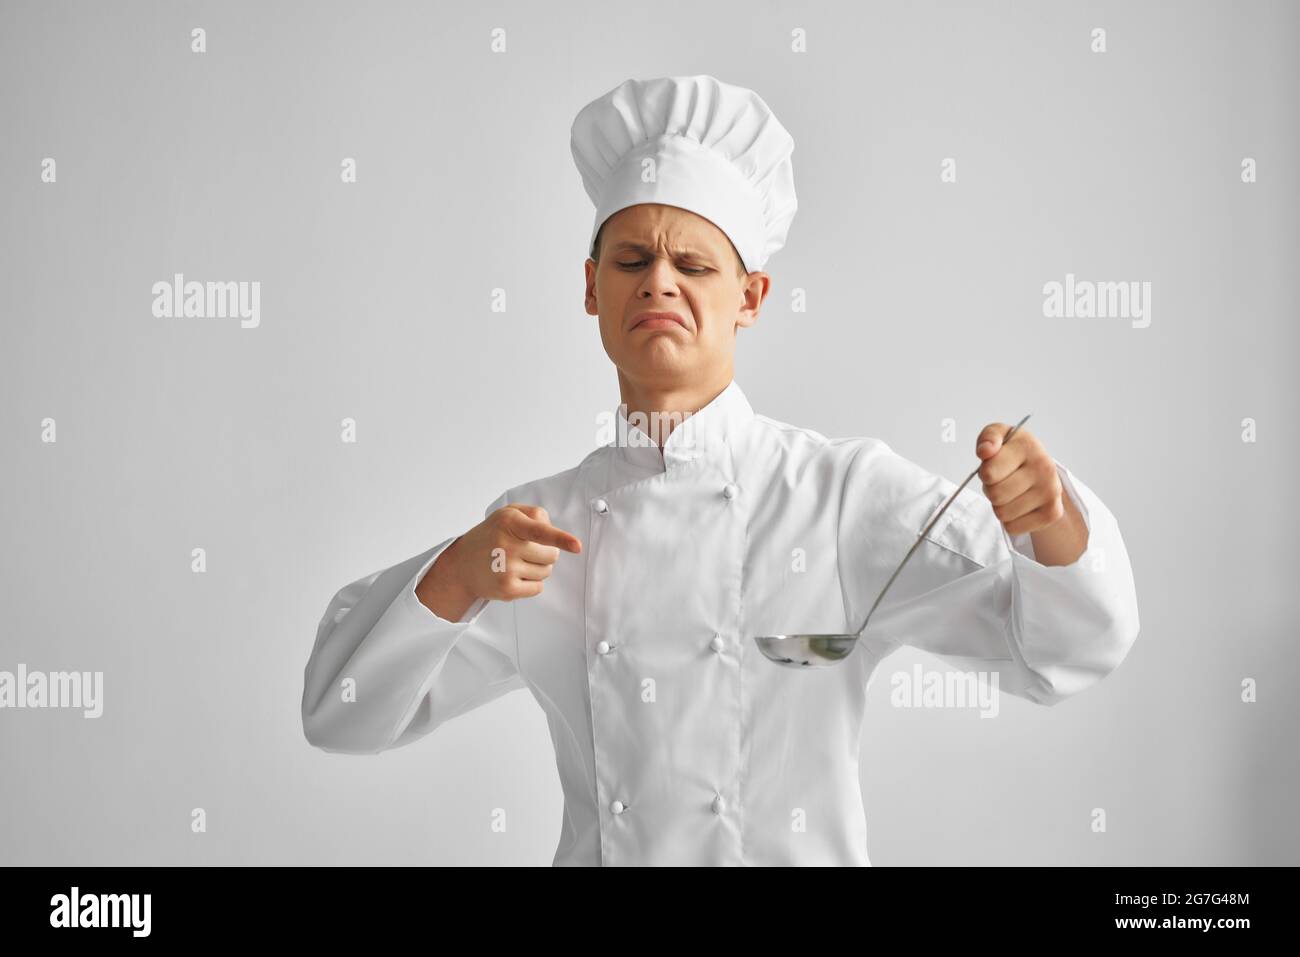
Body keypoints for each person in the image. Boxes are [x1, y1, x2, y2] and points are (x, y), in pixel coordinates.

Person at [301, 75, 1140, 866]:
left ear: (750, 297)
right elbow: (343, 715)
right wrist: (455, 573)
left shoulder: (840, 497)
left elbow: (1066, 650)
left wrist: (1048, 520)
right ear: (592, 289)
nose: (659, 280)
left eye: (694, 264)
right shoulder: (533, 527)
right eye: (632, 261)